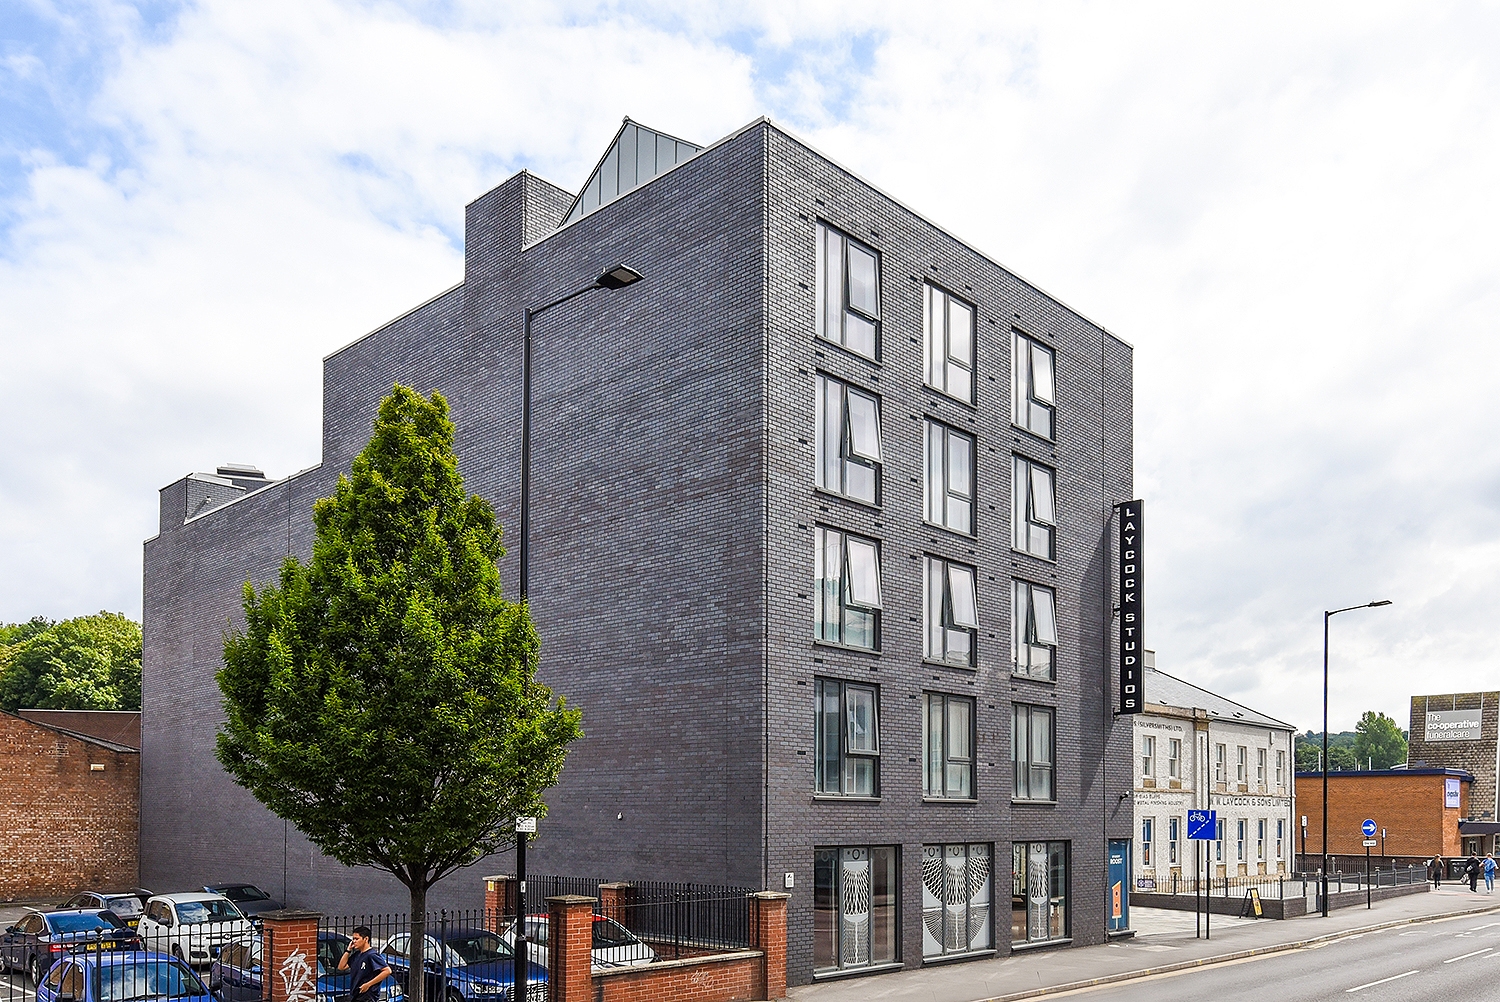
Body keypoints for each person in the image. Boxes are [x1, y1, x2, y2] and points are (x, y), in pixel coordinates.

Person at [339, 926, 393, 1002]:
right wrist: (348, 950)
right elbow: (341, 967)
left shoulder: (371, 955)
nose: (354, 941)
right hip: (356, 994)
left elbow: (387, 971)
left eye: (357, 939)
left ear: (366, 939)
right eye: (353, 939)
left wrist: (368, 984)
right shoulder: (357, 955)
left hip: (367, 996)